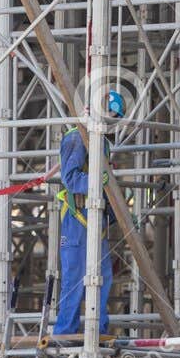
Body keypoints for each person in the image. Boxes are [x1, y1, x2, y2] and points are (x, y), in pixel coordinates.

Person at [53, 89, 125, 336]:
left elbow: (106, 184)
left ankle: (98, 329)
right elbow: (70, 178)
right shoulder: (77, 137)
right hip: (77, 217)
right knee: (74, 277)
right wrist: (95, 180)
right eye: (111, 116)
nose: (112, 123)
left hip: (97, 216)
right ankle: (65, 332)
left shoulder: (101, 142)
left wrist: (118, 212)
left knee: (102, 276)